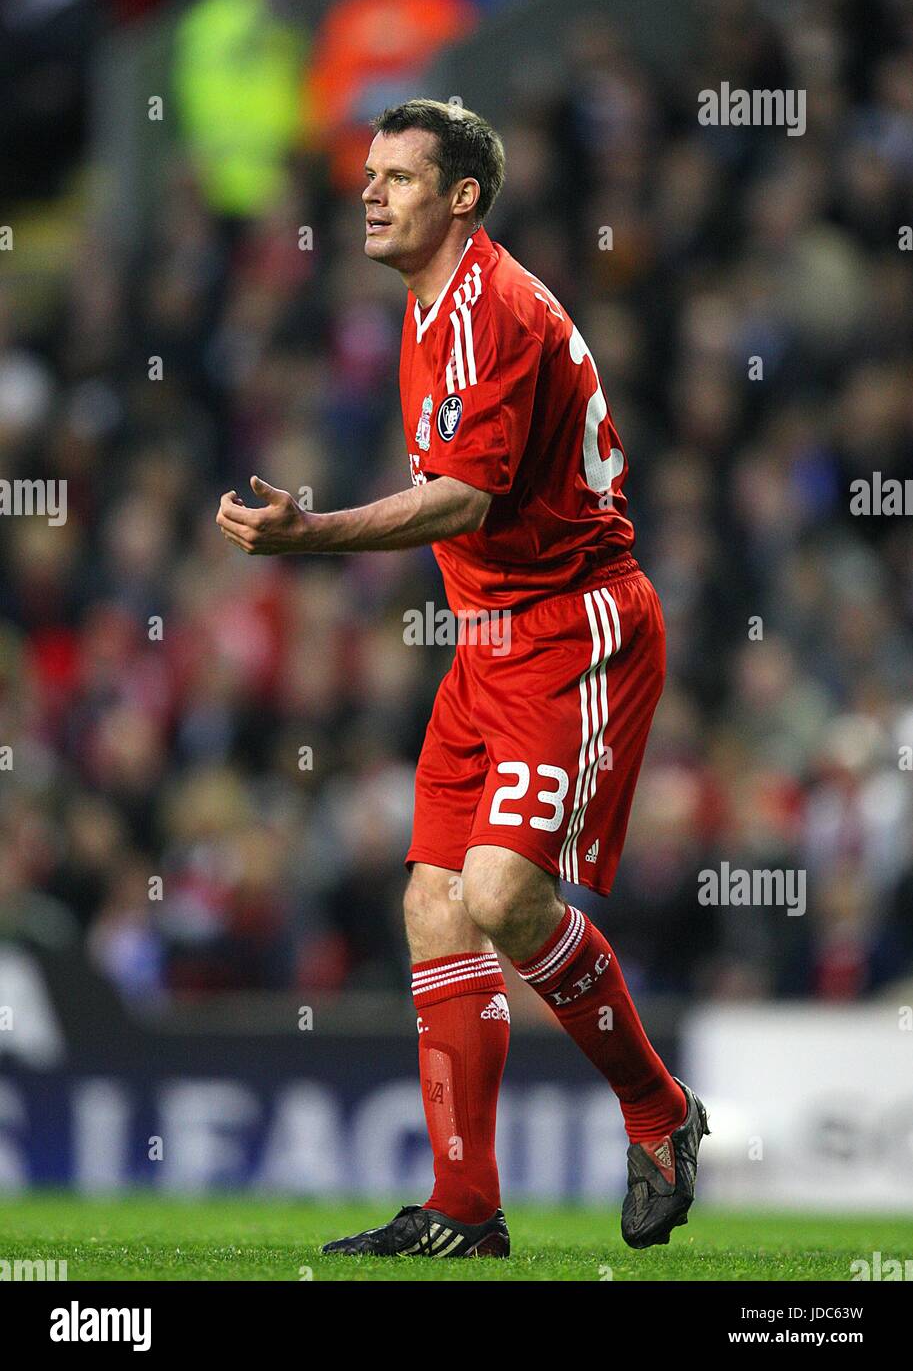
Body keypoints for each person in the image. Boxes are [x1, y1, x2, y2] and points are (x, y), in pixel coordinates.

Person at [216, 98, 709, 1258]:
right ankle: (463, 1208)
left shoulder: (492, 307)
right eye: (369, 174)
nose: (370, 193)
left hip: (571, 628)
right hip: (486, 637)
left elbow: (465, 499)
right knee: (432, 903)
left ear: (462, 197)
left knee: (498, 895)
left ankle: (660, 1113)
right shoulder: (428, 301)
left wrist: (314, 534)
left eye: (396, 176)